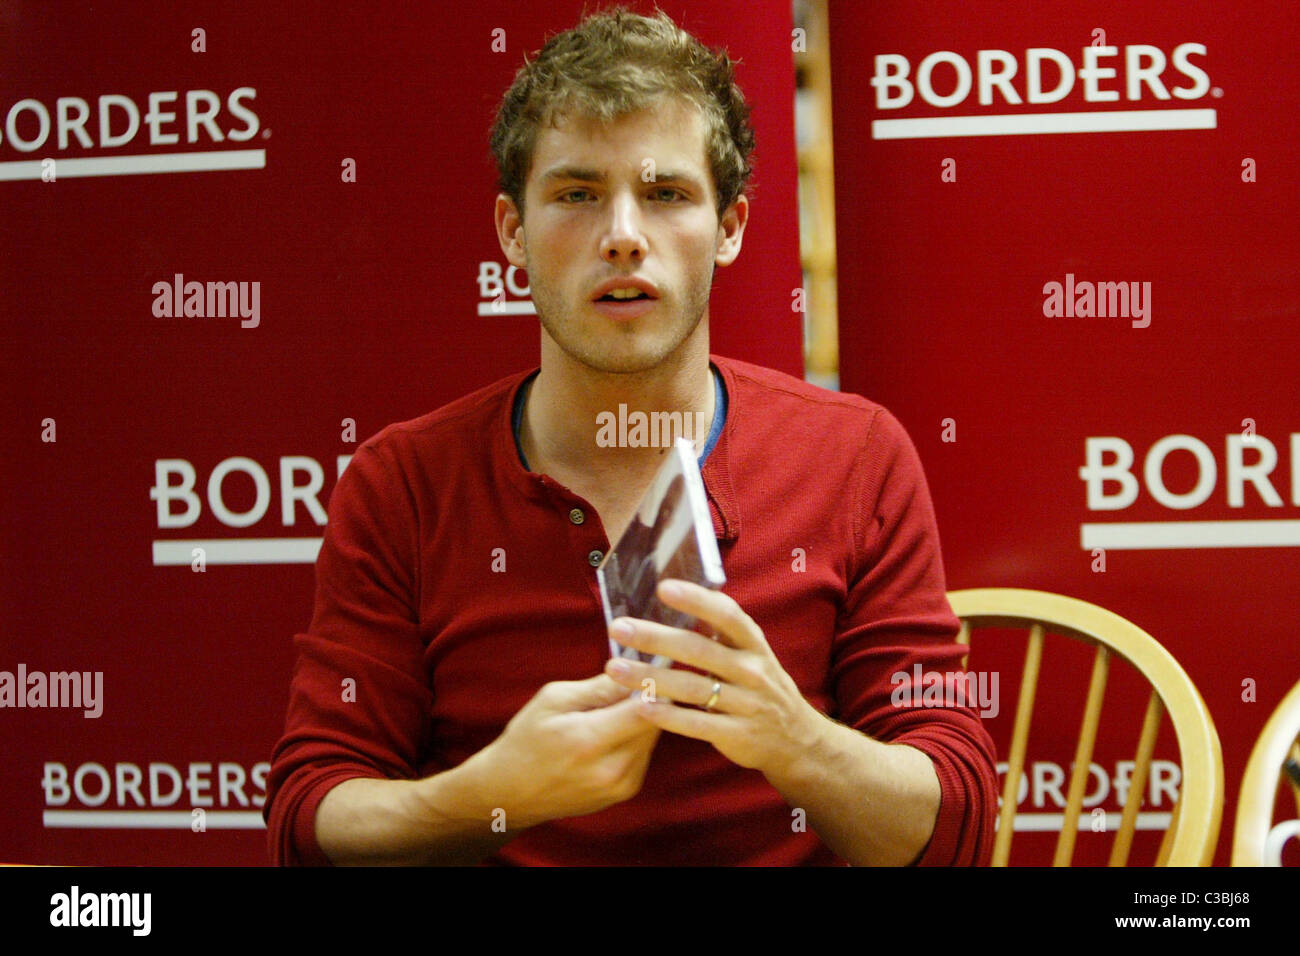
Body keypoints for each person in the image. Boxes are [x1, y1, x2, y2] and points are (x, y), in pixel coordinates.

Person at [264, 5, 997, 866]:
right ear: (513, 233)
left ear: (730, 230)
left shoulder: (856, 457)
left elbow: (953, 828)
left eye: (665, 195)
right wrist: (485, 796)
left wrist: (793, 738)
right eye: (577, 194)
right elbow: (309, 825)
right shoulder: (404, 483)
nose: (622, 237)